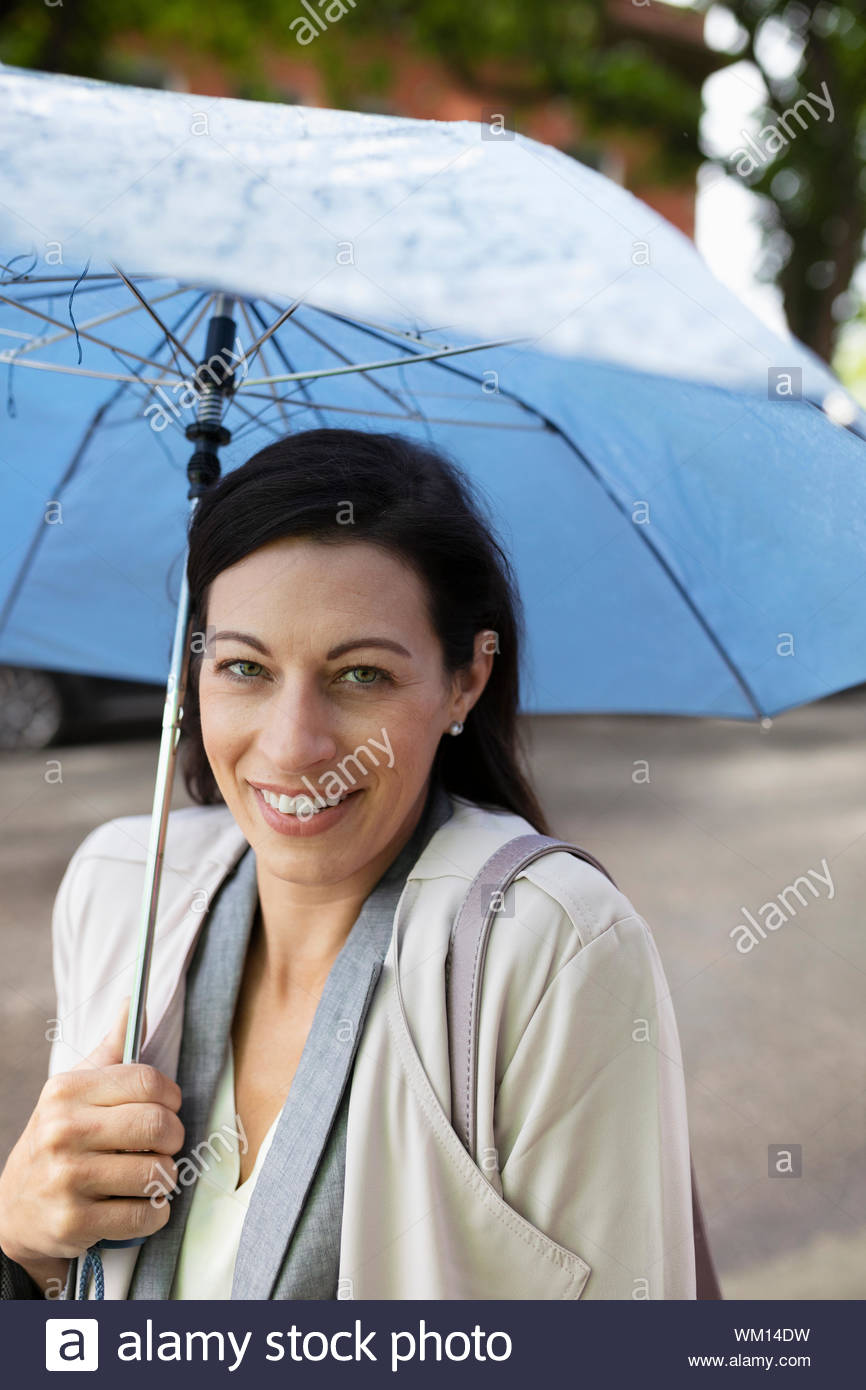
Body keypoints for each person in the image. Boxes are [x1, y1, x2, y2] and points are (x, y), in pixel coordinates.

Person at [0, 427, 696, 1300]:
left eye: (360, 675)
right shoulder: (120, 886)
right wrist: (21, 1247)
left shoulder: (550, 946)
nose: (295, 746)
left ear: (466, 680)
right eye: (245, 666)